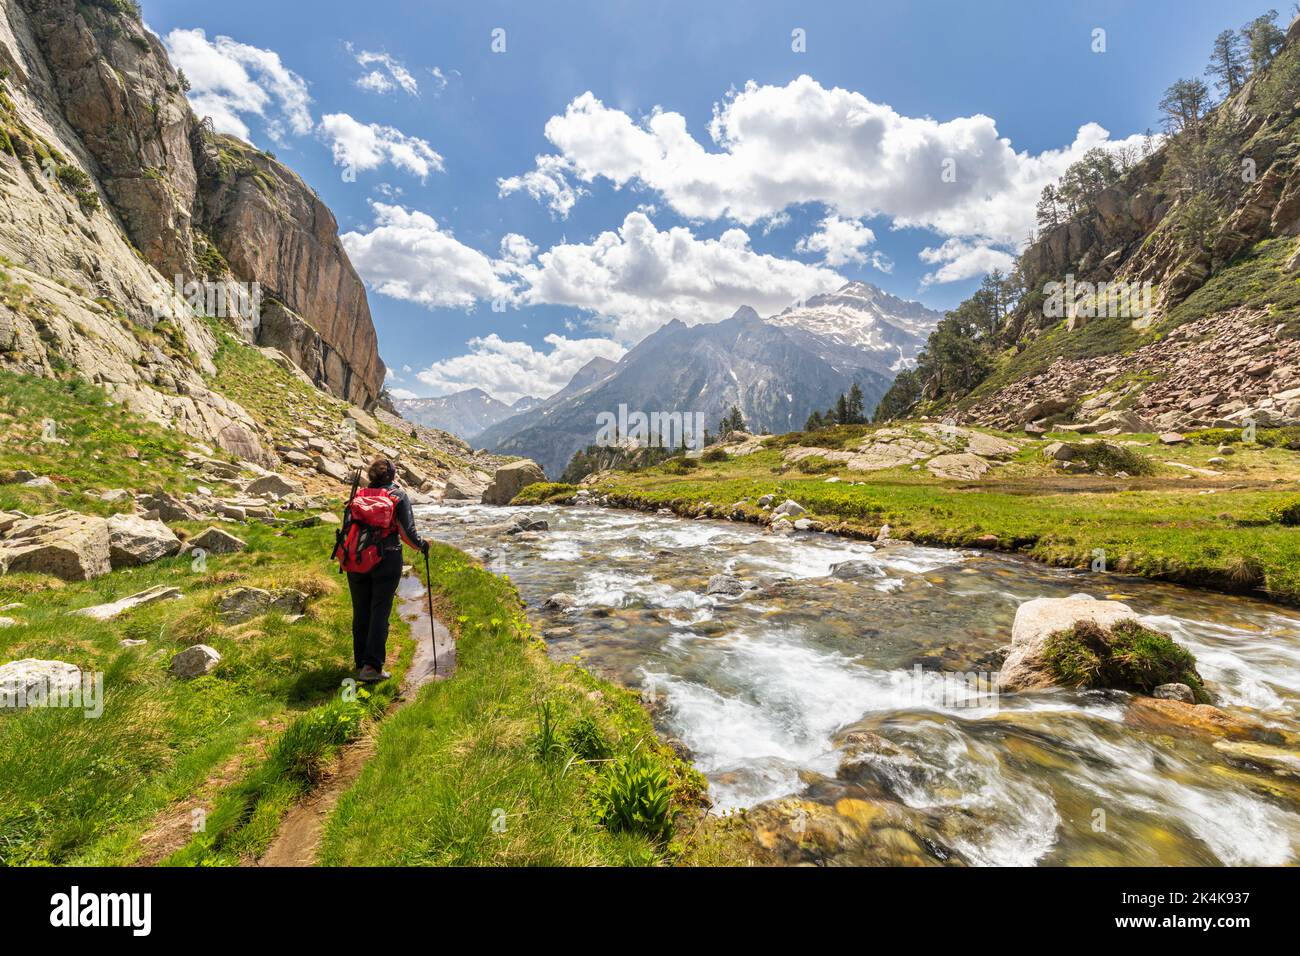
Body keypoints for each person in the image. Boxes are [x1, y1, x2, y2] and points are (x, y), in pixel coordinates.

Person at [347, 456, 429, 683]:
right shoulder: (397, 495)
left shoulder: (359, 495)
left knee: (361, 610)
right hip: (386, 558)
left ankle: (361, 661)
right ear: (392, 475)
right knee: (379, 611)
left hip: (356, 558)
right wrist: (423, 546)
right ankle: (372, 667)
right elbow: (407, 533)